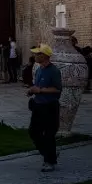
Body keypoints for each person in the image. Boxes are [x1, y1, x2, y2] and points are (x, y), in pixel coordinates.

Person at [27, 44, 62, 172]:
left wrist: (40, 90)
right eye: (35, 54)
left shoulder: (54, 71)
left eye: (38, 54)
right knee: (33, 132)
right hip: (38, 105)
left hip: (50, 107)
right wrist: (32, 91)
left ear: (45, 56)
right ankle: (50, 154)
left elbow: (57, 89)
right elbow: (37, 86)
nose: (35, 56)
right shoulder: (39, 70)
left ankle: (49, 162)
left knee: (48, 134)